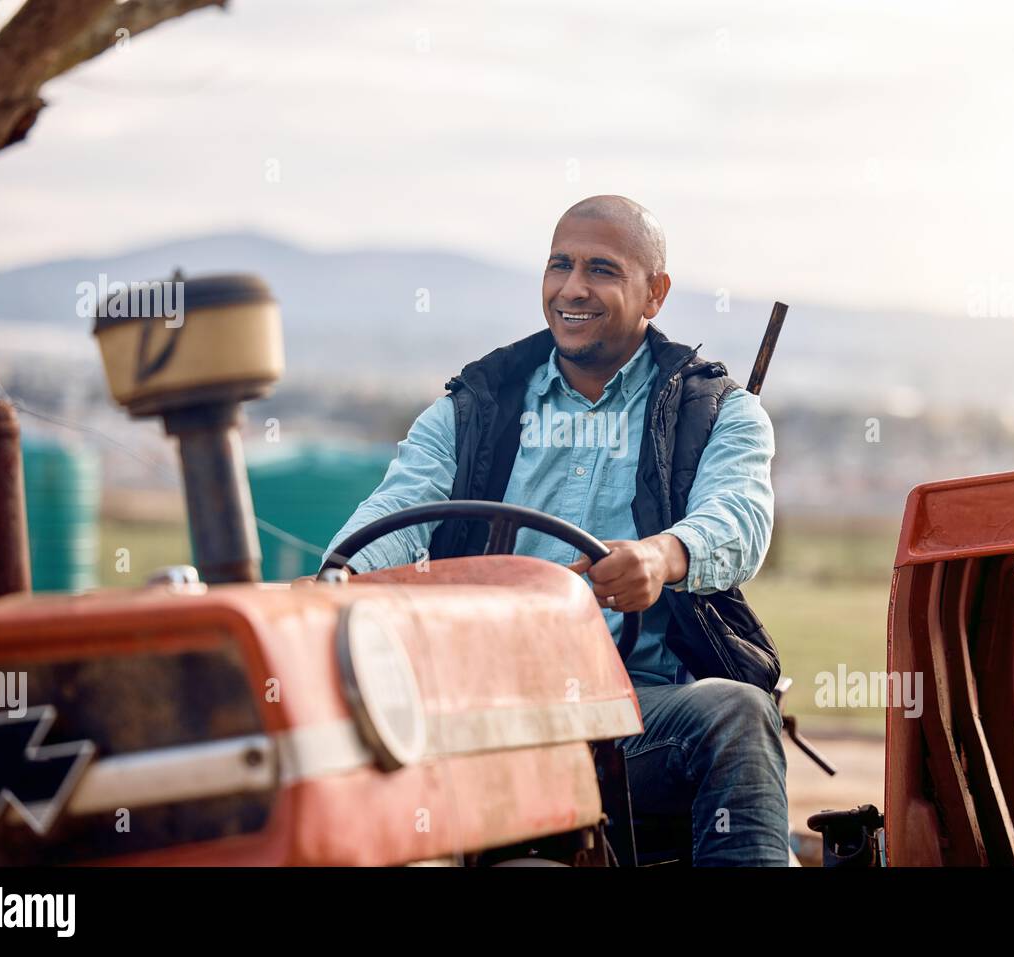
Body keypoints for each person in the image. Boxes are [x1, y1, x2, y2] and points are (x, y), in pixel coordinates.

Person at [324, 195, 789, 865]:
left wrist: (662, 556)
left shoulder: (717, 410)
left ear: (654, 292)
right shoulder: (474, 406)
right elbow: (394, 513)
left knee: (736, 713)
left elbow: (739, 516)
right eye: (559, 265)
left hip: (631, 711)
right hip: (478, 708)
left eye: (601, 268)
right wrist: (330, 583)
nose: (573, 287)